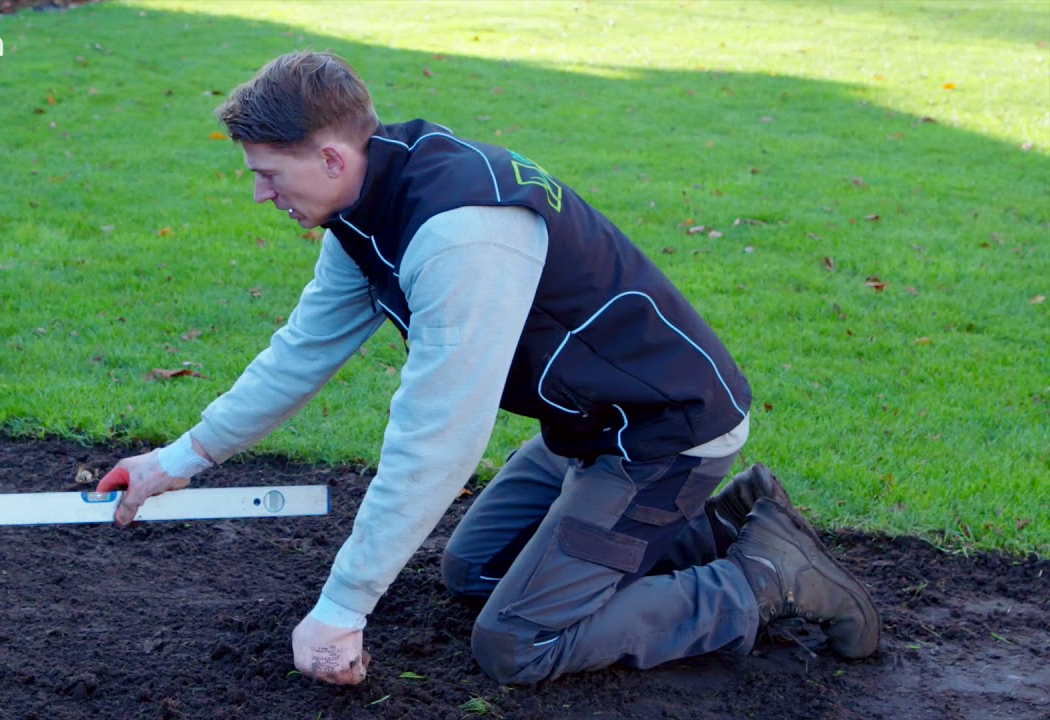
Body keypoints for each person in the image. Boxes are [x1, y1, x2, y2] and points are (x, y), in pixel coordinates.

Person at [98, 50, 880, 686]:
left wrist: (342, 606)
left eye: (269, 175)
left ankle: (764, 579)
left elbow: (439, 436)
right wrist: (178, 461)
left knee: (518, 643)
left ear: (332, 156)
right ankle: (726, 520)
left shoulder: (459, 237)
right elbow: (302, 352)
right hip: (587, 429)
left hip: (665, 433)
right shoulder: (366, 206)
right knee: (473, 568)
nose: (262, 194)